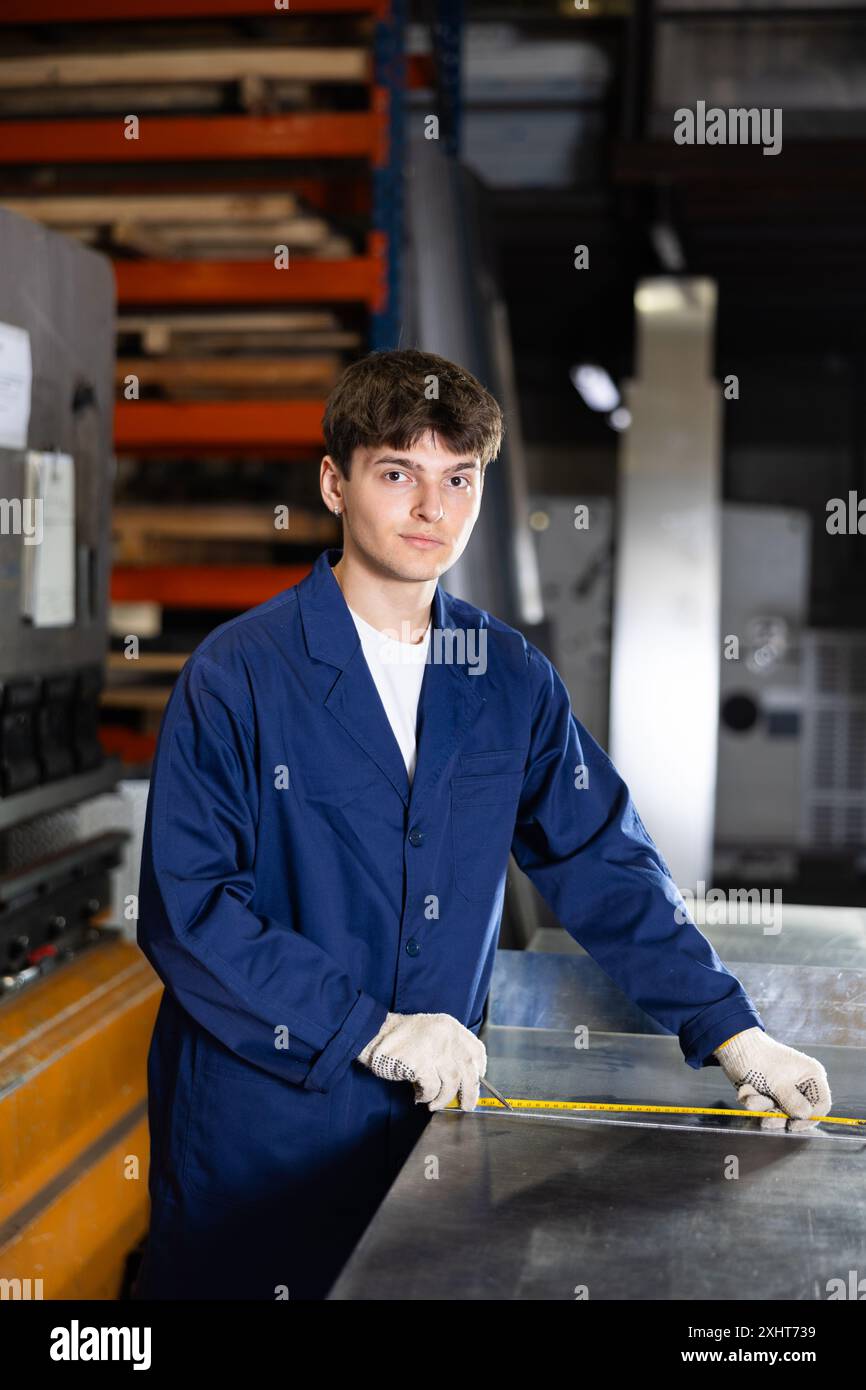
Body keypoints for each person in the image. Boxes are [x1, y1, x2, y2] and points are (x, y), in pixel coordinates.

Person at [133, 348, 831, 1301]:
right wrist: (370, 1029)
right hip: (262, 1135)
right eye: (398, 474)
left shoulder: (507, 680)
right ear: (335, 483)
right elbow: (189, 911)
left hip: (435, 1130)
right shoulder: (239, 676)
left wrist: (733, 1032)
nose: (432, 509)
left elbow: (603, 862)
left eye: (458, 479)